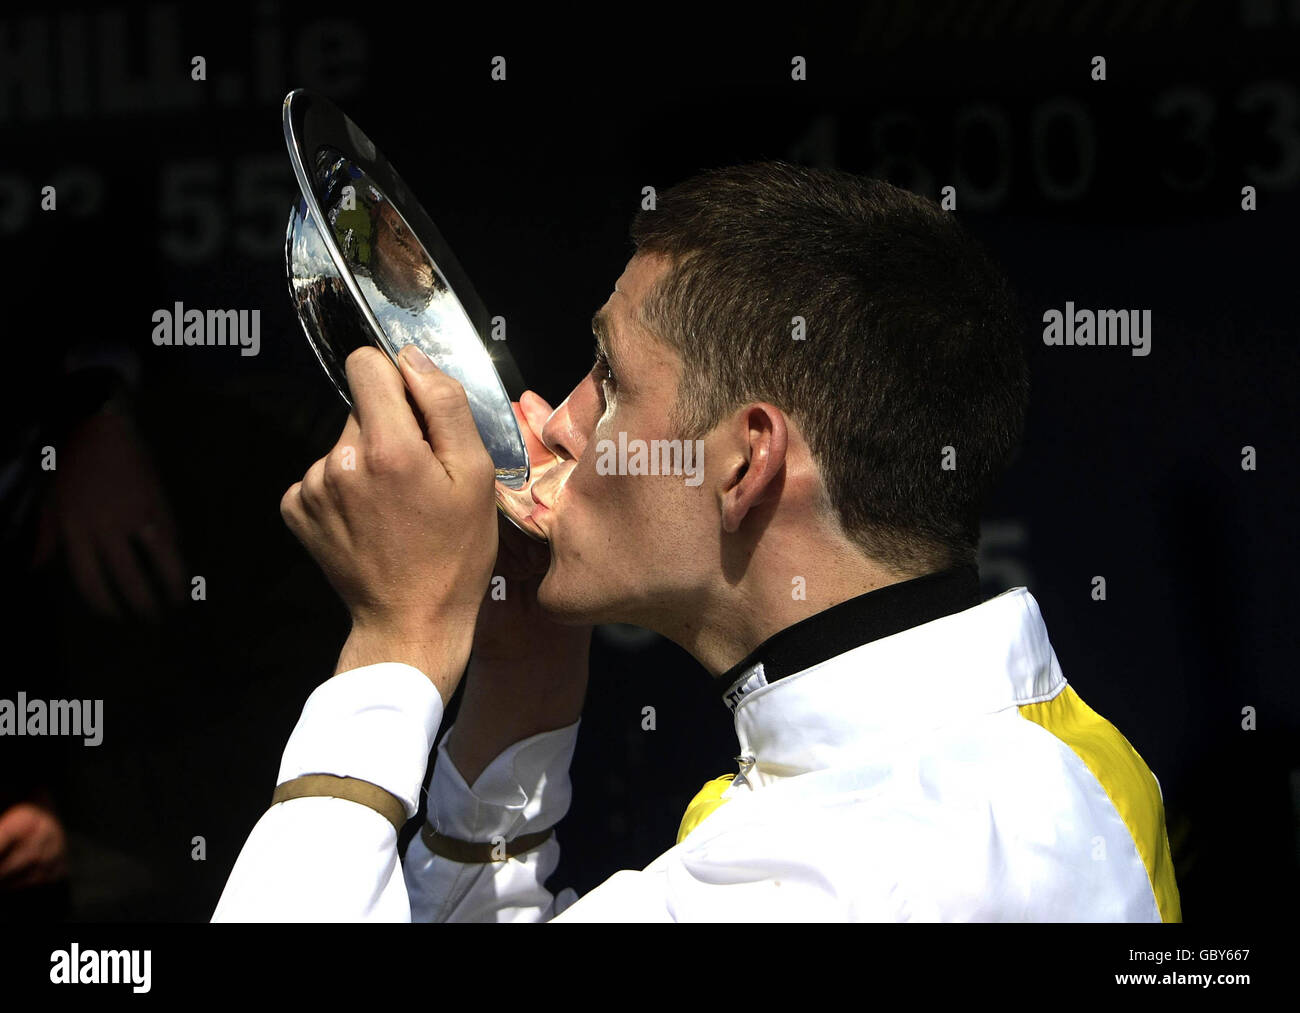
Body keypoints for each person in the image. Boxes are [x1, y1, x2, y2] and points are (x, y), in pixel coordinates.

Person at [212, 162, 1180, 922]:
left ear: (744, 460)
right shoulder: (1030, 748)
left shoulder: (841, 875)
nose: (553, 423)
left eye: (610, 376)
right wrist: (520, 684)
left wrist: (396, 642)